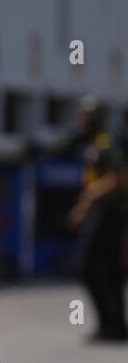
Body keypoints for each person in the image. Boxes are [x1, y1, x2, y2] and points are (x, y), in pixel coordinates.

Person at [66, 99, 127, 342]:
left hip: (108, 212)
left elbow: (118, 178)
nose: (83, 122)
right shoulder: (93, 143)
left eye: (86, 117)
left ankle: (113, 324)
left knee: (90, 265)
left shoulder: (107, 143)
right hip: (100, 211)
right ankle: (111, 324)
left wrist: (87, 202)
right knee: (104, 268)